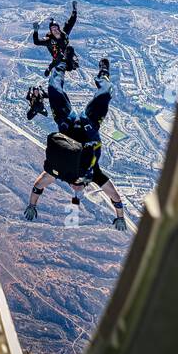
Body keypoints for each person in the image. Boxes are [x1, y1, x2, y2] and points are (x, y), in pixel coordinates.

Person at [23, 59, 127, 231]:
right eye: (80, 189)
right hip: (90, 122)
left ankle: (63, 59)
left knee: (54, 88)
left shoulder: (60, 172)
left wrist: (32, 205)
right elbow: (114, 196)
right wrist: (120, 217)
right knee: (105, 92)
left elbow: (38, 186)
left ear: (71, 186)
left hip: (67, 122)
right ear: (85, 187)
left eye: (75, 189)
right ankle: (103, 73)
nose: (77, 187)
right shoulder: (93, 175)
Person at [33, 2, 80, 76]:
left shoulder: (64, 34)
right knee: (60, 55)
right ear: (51, 31)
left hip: (67, 56)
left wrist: (74, 10)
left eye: (55, 28)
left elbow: (71, 22)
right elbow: (37, 42)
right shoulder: (49, 40)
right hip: (57, 58)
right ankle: (50, 68)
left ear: (58, 28)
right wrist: (35, 31)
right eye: (52, 29)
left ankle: (70, 64)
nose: (54, 30)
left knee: (70, 49)